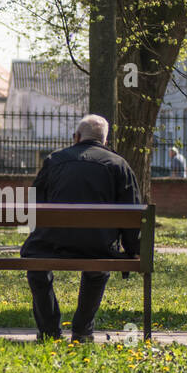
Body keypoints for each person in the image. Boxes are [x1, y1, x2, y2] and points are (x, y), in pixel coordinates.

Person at [21, 114, 142, 343]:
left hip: (50, 245)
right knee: (98, 270)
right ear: (105, 141)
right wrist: (133, 250)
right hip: (97, 247)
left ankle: (48, 331)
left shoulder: (54, 160)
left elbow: (33, 204)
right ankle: (82, 330)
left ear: (76, 137)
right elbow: (132, 214)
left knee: (36, 267)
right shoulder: (119, 165)